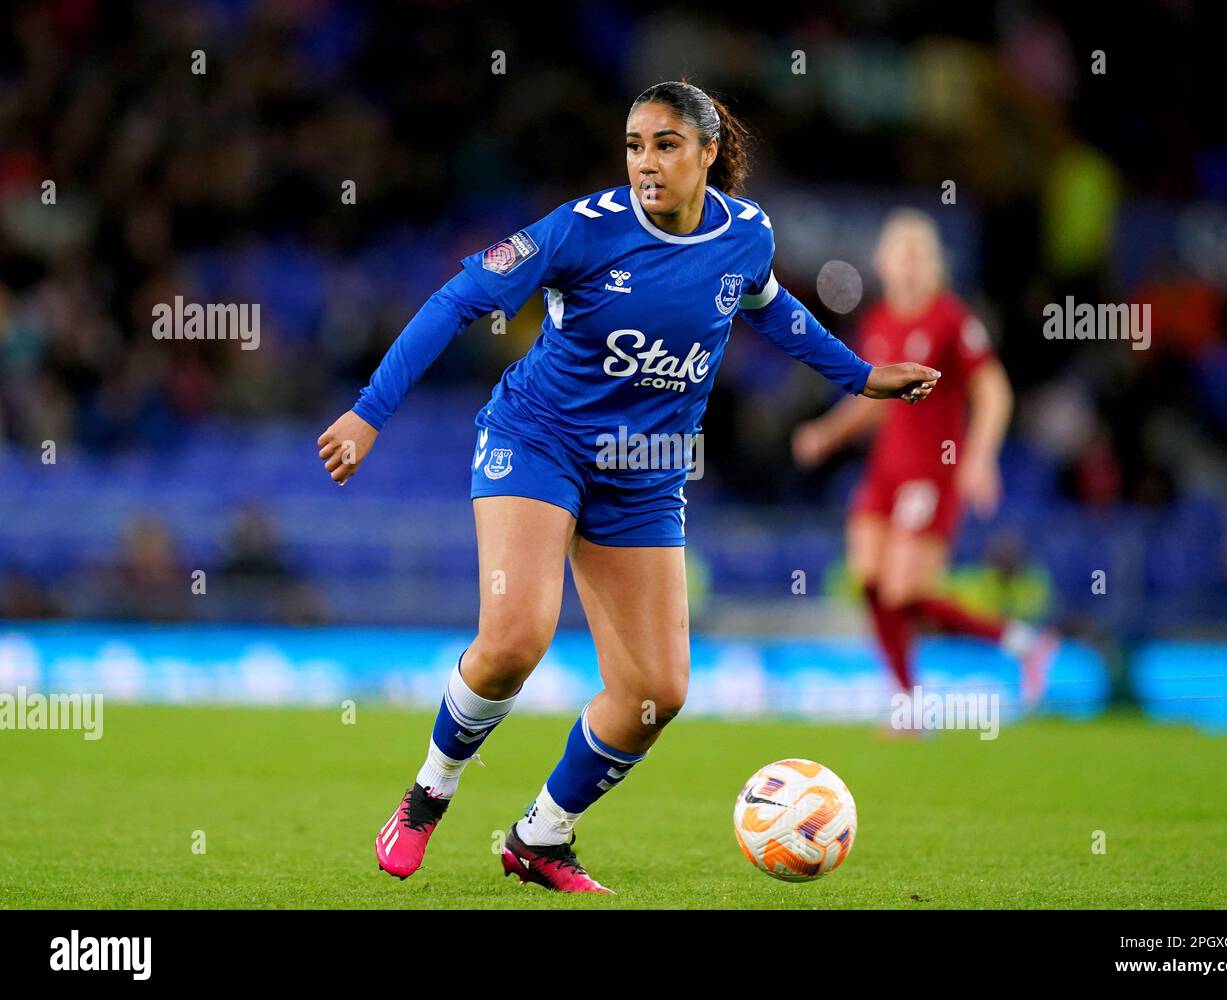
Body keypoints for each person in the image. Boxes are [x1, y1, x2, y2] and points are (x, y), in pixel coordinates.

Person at [317, 81, 940, 893]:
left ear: (709, 153)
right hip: (539, 442)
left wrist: (858, 377)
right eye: (635, 144)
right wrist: (369, 413)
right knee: (514, 639)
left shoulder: (745, 235)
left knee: (655, 691)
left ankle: (541, 838)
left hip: (645, 472)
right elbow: (458, 299)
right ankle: (429, 794)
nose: (647, 162)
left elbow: (772, 309)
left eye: (667, 145)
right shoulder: (583, 230)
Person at [792, 209, 1057, 719]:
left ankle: (1012, 644)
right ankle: (917, 694)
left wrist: (979, 456)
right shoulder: (879, 322)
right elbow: (875, 399)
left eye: (919, 254)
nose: (909, 265)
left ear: (935, 263)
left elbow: (994, 391)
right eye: (900, 254)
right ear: (883, 262)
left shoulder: (952, 319)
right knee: (870, 580)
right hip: (885, 472)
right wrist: (827, 434)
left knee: (902, 591)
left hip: (931, 473)